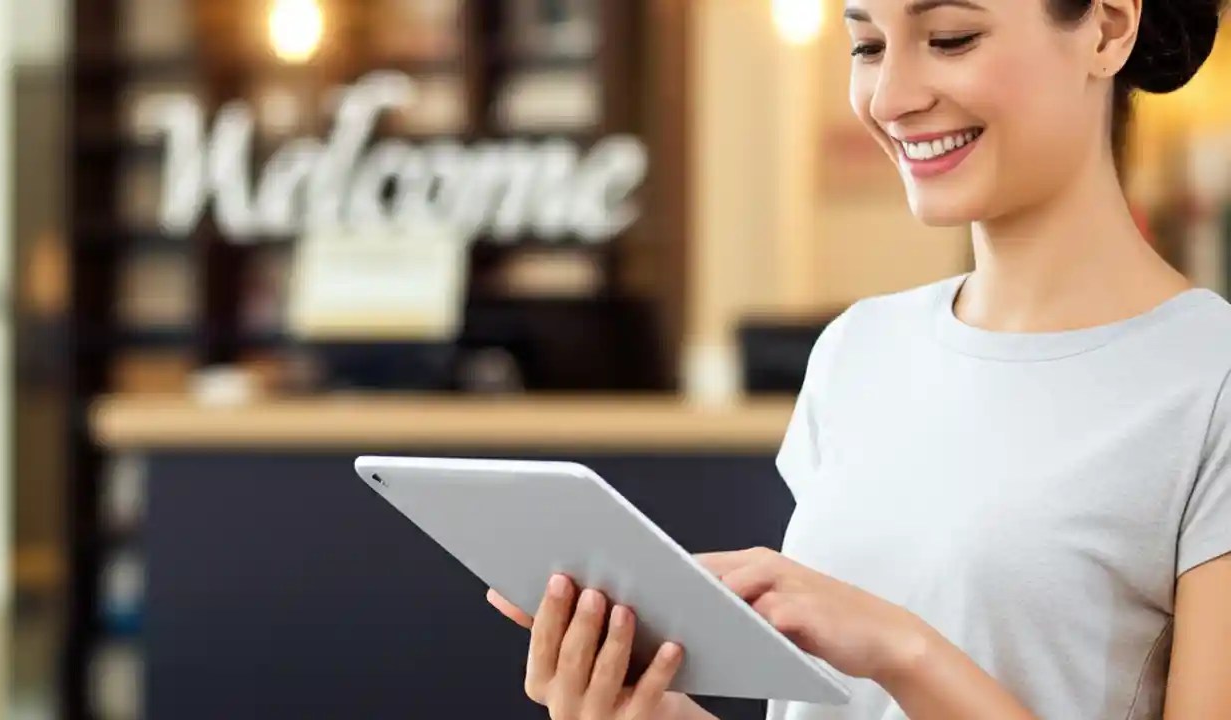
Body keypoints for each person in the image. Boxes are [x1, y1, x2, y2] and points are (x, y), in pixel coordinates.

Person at [488, 0, 1231, 717]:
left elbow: (888, 656)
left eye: (949, 38)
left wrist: (902, 649)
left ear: (1108, 28)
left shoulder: (1209, 380)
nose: (892, 98)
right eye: (868, 47)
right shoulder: (860, 349)